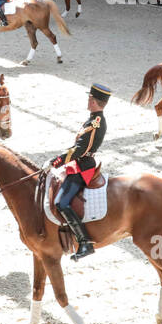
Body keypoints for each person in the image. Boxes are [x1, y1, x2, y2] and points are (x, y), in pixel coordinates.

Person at [49, 83, 111, 261]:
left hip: (84, 166)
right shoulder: (93, 119)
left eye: (89, 98)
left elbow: (80, 150)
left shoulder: (96, 122)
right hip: (78, 163)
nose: (88, 100)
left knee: (62, 202)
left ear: (93, 100)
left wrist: (57, 160)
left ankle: (84, 242)